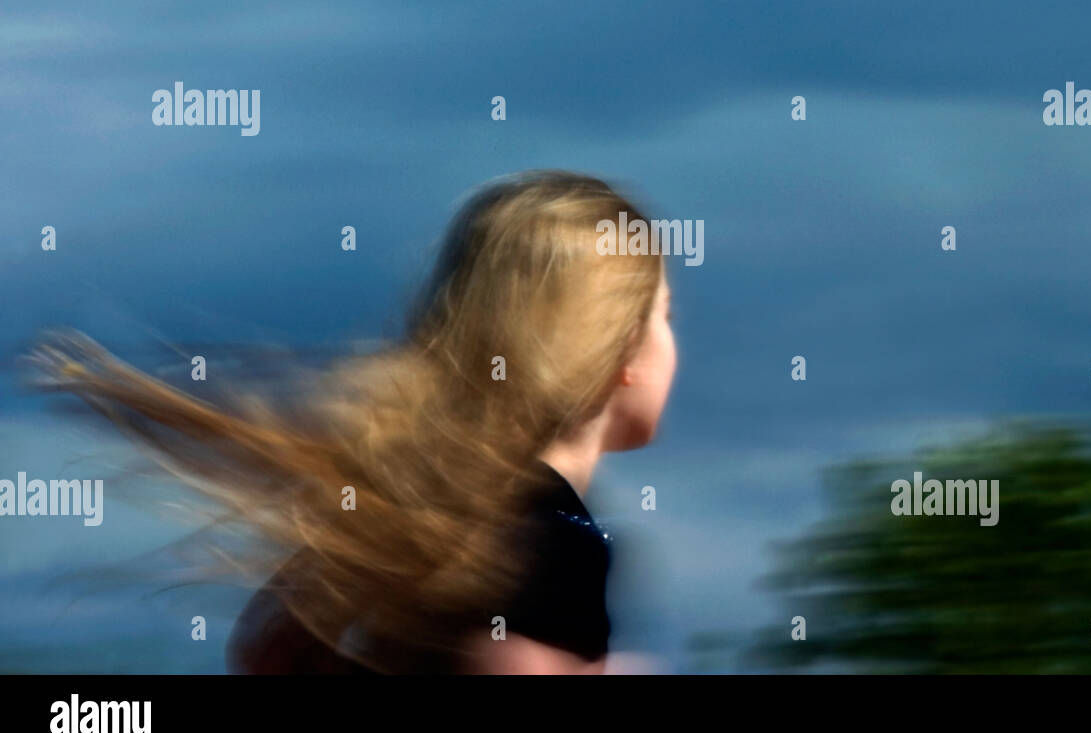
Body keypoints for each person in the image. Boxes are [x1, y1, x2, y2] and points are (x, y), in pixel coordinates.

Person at [27, 170, 677, 674]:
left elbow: (267, 651)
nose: (672, 340)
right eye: (663, 316)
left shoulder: (427, 513)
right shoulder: (557, 540)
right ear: (623, 354)